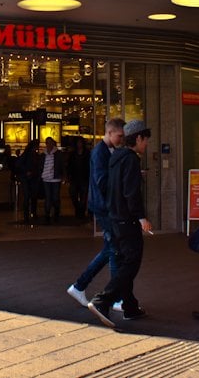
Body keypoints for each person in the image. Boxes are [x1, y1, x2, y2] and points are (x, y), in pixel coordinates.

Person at [87, 119, 153, 327]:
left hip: (114, 217)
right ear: (139, 138)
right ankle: (102, 300)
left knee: (125, 262)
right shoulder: (131, 160)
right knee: (131, 263)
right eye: (146, 140)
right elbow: (130, 192)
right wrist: (141, 217)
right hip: (126, 220)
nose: (147, 144)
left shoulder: (116, 157)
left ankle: (130, 307)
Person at [66, 118, 125, 308]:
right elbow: (102, 181)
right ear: (109, 133)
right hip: (103, 207)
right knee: (114, 248)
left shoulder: (108, 150)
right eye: (119, 136)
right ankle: (113, 297)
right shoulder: (100, 152)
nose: (121, 139)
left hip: (104, 206)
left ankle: (81, 286)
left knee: (111, 248)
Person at [15, 139, 42, 225]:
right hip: (28, 178)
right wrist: (27, 171)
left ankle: (29, 215)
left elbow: (18, 164)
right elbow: (19, 164)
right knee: (29, 196)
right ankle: (30, 214)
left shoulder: (30, 155)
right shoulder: (31, 155)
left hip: (30, 178)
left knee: (30, 196)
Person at [41, 137, 65, 224]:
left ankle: (56, 214)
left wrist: (62, 175)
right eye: (47, 143)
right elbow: (41, 165)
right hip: (46, 178)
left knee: (55, 197)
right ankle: (47, 215)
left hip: (55, 178)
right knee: (48, 197)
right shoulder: (43, 154)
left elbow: (62, 164)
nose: (49, 145)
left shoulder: (58, 154)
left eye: (50, 143)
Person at [67, 136, 90, 220]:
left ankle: (81, 212)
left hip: (84, 177)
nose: (79, 144)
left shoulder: (87, 153)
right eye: (78, 143)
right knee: (73, 194)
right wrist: (68, 175)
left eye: (80, 142)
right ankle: (78, 209)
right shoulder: (73, 154)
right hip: (75, 177)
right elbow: (69, 166)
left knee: (83, 197)